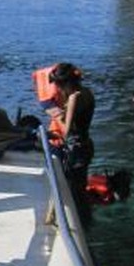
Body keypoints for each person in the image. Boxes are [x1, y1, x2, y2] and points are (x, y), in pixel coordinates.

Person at [46, 62, 95, 199]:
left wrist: (56, 115)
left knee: (71, 190)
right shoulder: (88, 92)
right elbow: (80, 120)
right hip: (86, 144)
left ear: (66, 84)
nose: (59, 90)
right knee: (80, 188)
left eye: (59, 86)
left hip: (75, 150)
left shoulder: (74, 98)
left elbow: (66, 132)